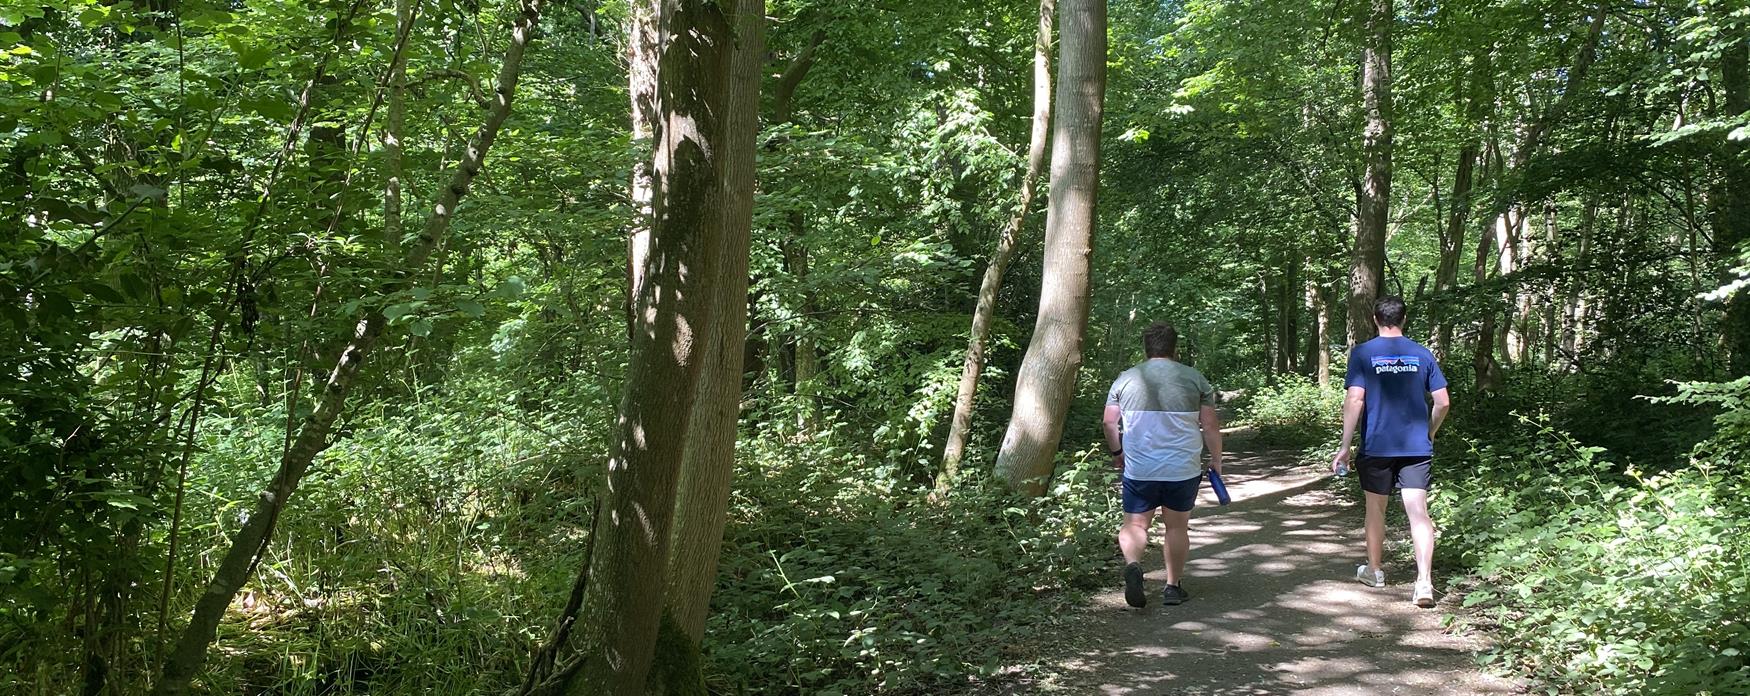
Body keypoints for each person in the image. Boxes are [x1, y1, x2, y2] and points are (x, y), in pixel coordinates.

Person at [1332, 296, 1451, 608]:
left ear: (1375, 319)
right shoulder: (1421, 353)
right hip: (1416, 447)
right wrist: (1430, 432)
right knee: (1418, 512)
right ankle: (1424, 583)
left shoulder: (1363, 353)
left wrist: (1345, 446)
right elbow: (1443, 402)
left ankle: (1374, 572)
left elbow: (1355, 399)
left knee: (1376, 509)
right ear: (1404, 318)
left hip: (1376, 445)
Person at [1103, 323, 1223, 608]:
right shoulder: (1195, 379)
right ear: (1174, 347)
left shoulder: (1126, 379)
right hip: (1182, 469)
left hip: (1140, 468)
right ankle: (1172, 587)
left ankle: (1133, 565)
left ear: (1146, 347)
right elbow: (1209, 426)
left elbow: (1109, 422)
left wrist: (1117, 452)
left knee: (1135, 524)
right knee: (1177, 527)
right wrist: (1216, 460)